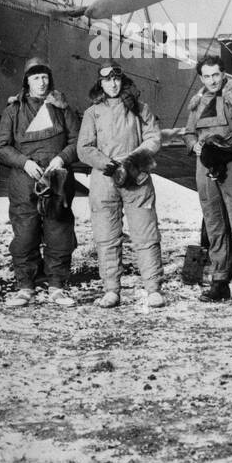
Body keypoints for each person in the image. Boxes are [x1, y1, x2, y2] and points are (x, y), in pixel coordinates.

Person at [0, 56, 81, 307]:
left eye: (44, 77)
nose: (41, 83)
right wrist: (24, 162)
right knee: (25, 233)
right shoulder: (13, 111)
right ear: (27, 81)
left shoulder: (63, 109)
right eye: (35, 78)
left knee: (59, 231)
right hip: (24, 179)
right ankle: (25, 287)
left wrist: (62, 158)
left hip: (58, 179)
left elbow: (78, 142)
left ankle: (56, 286)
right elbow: (1, 146)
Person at [77, 63, 164, 309]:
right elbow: (84, 147)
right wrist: (109, 165)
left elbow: (153, 138)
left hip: (136, 178)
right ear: (100, 84)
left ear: (122, 81)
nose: (113, 84)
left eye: (116, 79)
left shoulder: (140, 108)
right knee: (106, 237)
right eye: (107, 81)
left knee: (146, 235)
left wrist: (131, 162)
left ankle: (153, 288)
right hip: (105, 180)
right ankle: (111, 289)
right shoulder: (92, 113)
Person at [184, 54, 232, 303]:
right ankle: (219, 280)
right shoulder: (197, 102)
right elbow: (189, 132)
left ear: (223, 74)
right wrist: (193, 145)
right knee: (214, 224)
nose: (212, 80)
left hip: (231, 161)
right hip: (204, 164)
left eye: (216, 75)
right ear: (201, 77)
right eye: (207, 76)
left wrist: (230, 92)